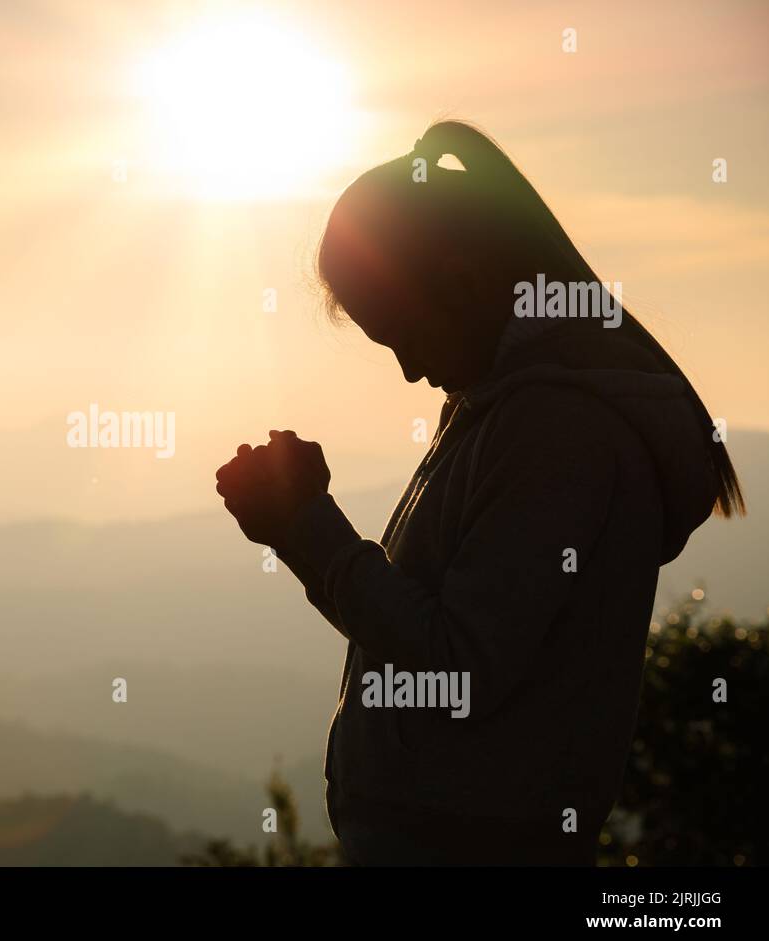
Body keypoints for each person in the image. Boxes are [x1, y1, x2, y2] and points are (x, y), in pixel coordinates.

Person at [215, 121, 742, 865]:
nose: (406, 370)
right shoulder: (507, 410)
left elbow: (458, 666)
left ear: (462, 283)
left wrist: (306, 528)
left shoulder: (558, 429)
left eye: (401, 336)